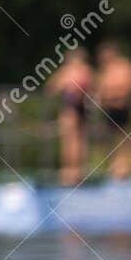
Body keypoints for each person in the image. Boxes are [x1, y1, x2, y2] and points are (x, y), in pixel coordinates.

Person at [45, 49, 93, 185]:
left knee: (77, 142)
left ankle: (76, 172)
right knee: (70, 141)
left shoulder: (82, 71)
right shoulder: (68, 72)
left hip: (79, 108)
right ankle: (70, 172)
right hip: (70, 109)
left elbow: (52, 88)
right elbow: (51, 88)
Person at [96, 41, 131, 181]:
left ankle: (125, 167)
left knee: (124, 137)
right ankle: (113, 166)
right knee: (108, 137)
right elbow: (101, 89)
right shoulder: (105, 69)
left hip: (122, 107)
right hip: (108, 109)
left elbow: (128, 86)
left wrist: (114, 94)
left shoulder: (123, 66)